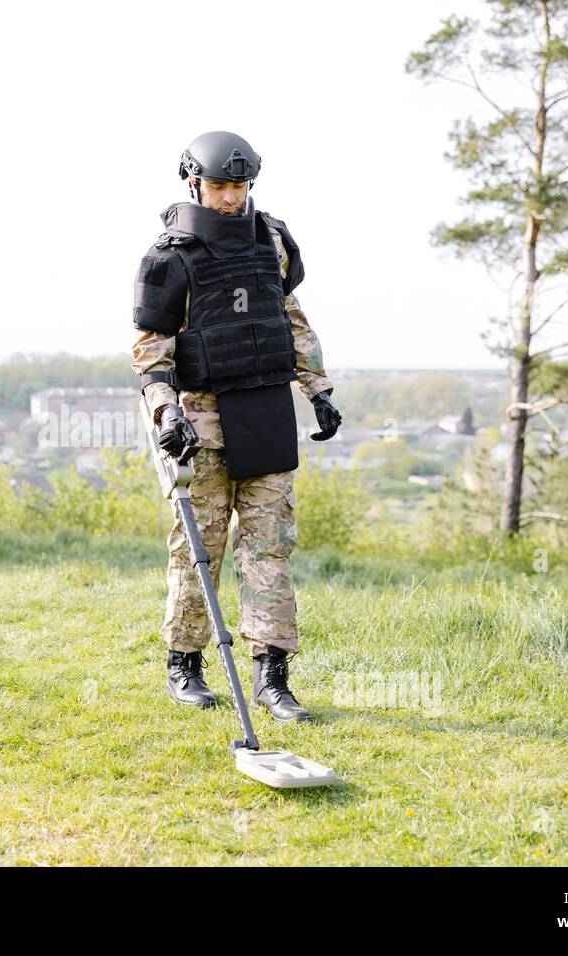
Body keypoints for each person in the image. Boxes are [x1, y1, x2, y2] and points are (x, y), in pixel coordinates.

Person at [131, 130, 341, 722]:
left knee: (270, 549)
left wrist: (317, 389)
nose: (229, 198)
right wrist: (167, 411)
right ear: (194, 183)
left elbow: (289, 319)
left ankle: (273, 676)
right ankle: (185, 664)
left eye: (239, 185)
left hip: (267, 411)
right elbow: (151, 352)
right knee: (200, 551)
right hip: (199, 420)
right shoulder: (169, 256)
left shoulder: (271, 240)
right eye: (219, 186)